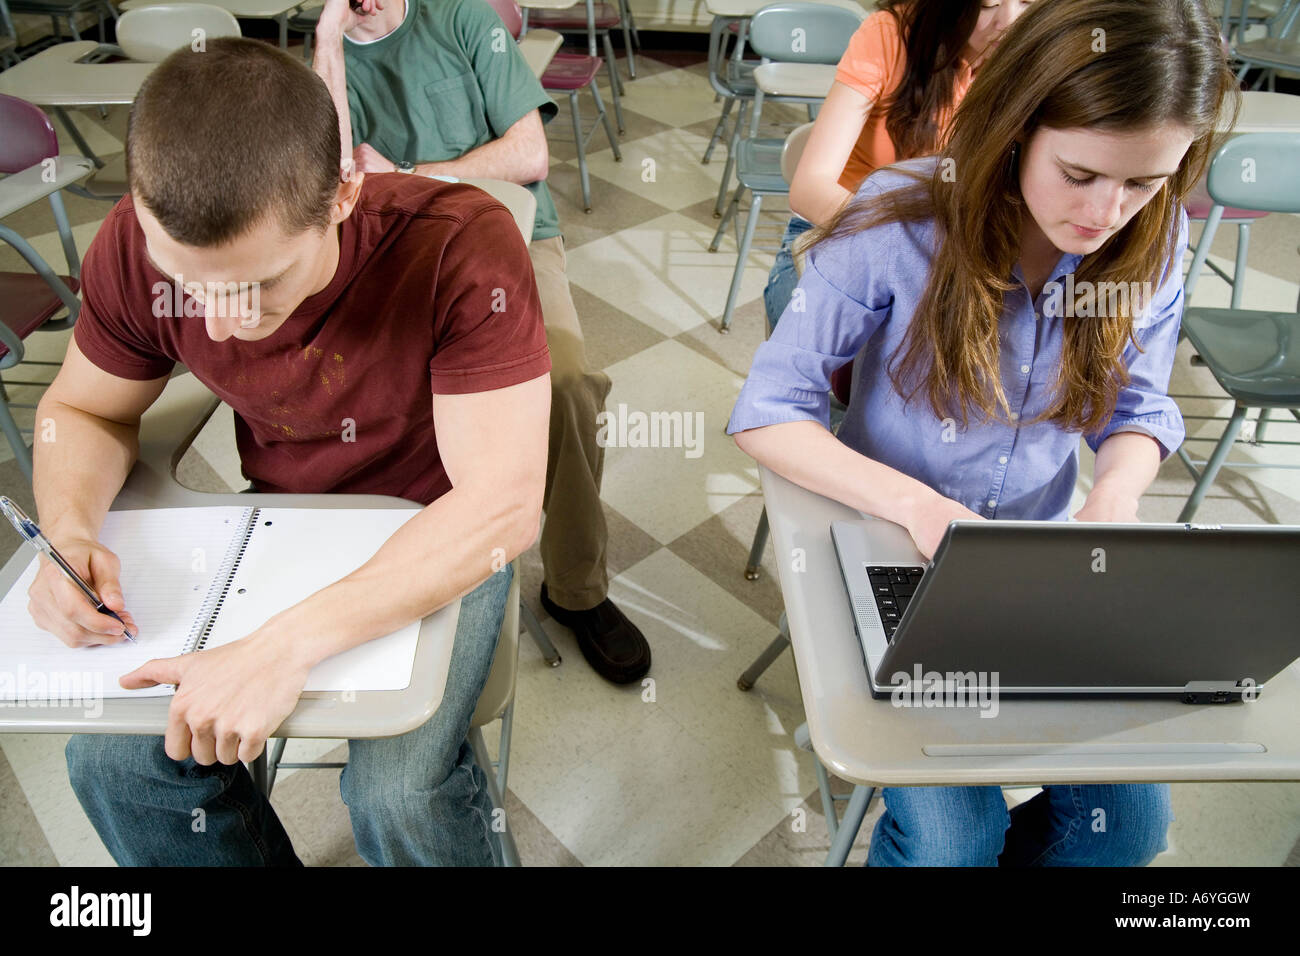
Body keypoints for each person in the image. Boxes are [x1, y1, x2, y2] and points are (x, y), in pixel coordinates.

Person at [728, 0, 1239, 866]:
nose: (1107, 211)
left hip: (1038, 558)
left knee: (1135, 830)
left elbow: (1140, 406)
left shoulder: (1154, 241)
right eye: (1079, 173)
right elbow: (770, 408)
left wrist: (1114, 492)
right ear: (1014, 128)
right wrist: (917, 506)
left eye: (1145, 182)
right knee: (954, 838)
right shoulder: (900, 217)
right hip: (886, 542)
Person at [29, 37, 552, 865]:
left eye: (258, 284)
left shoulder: (457, 244)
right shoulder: (134, 239)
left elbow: (502, 505)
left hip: (440, 526)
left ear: (344, 194)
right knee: (114, 764)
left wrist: (283, 645)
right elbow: (84, 411)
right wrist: (71, 534)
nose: (224, 324)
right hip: (283, 521)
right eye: (191, 287)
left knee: (399, 792)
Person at [313, 0, 652, 684]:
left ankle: (576, 589)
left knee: (567, 384)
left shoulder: (464, 18)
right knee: (373, 390)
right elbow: (327, 181)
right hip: (398, 254)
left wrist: (411, 172)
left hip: (513, 233)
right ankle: (417, 571)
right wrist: (329, 43)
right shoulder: (329, 55)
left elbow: (528, 154)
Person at [764, 0, 1034, 333]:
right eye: (988, 4)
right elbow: (809, 188)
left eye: (1027, 2)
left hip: (942, 253)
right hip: (834, 232)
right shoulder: (888, 37)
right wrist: (906, 250)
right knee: (831, 342)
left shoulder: (1026, 59)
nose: (1007, 21)